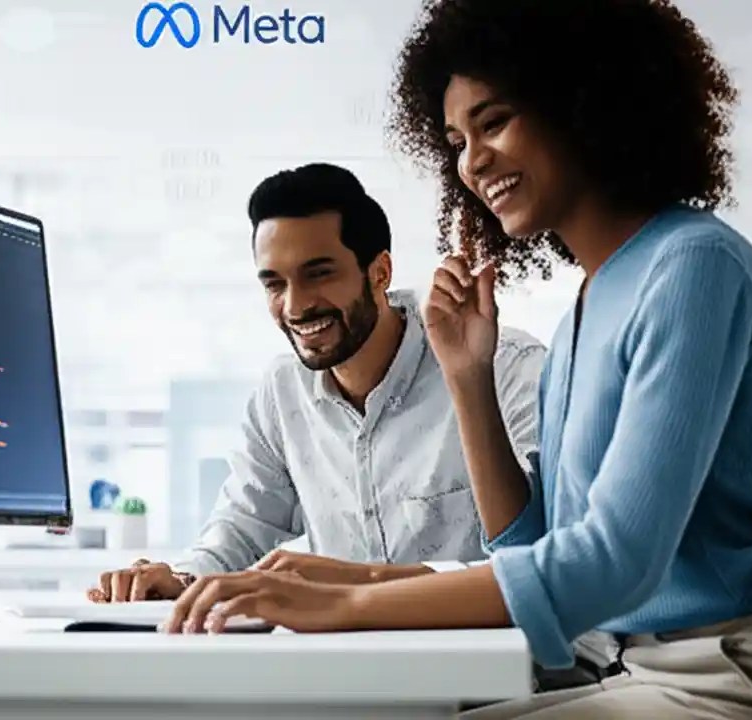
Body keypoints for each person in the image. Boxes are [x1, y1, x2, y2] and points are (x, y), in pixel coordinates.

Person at [160, 1, 752, 717]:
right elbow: (533, 545)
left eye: (493, 122)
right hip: (631, 665)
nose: (472, 162)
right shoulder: (591, 305)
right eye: (455, 140)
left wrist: (344, 600)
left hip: (738, 670)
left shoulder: (694, 267)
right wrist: (468, 378)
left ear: (583, 103)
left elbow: (612, 561)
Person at [88, 163, 545, 605]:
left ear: (379, 272)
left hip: (495, 670)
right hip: (349, 675)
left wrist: (357, 584)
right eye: (274, 284)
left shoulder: (503, 368)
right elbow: (243, 526)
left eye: (318, 274)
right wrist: (182, 580)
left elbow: (545, 561)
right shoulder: (282, 393)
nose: (296, 305)